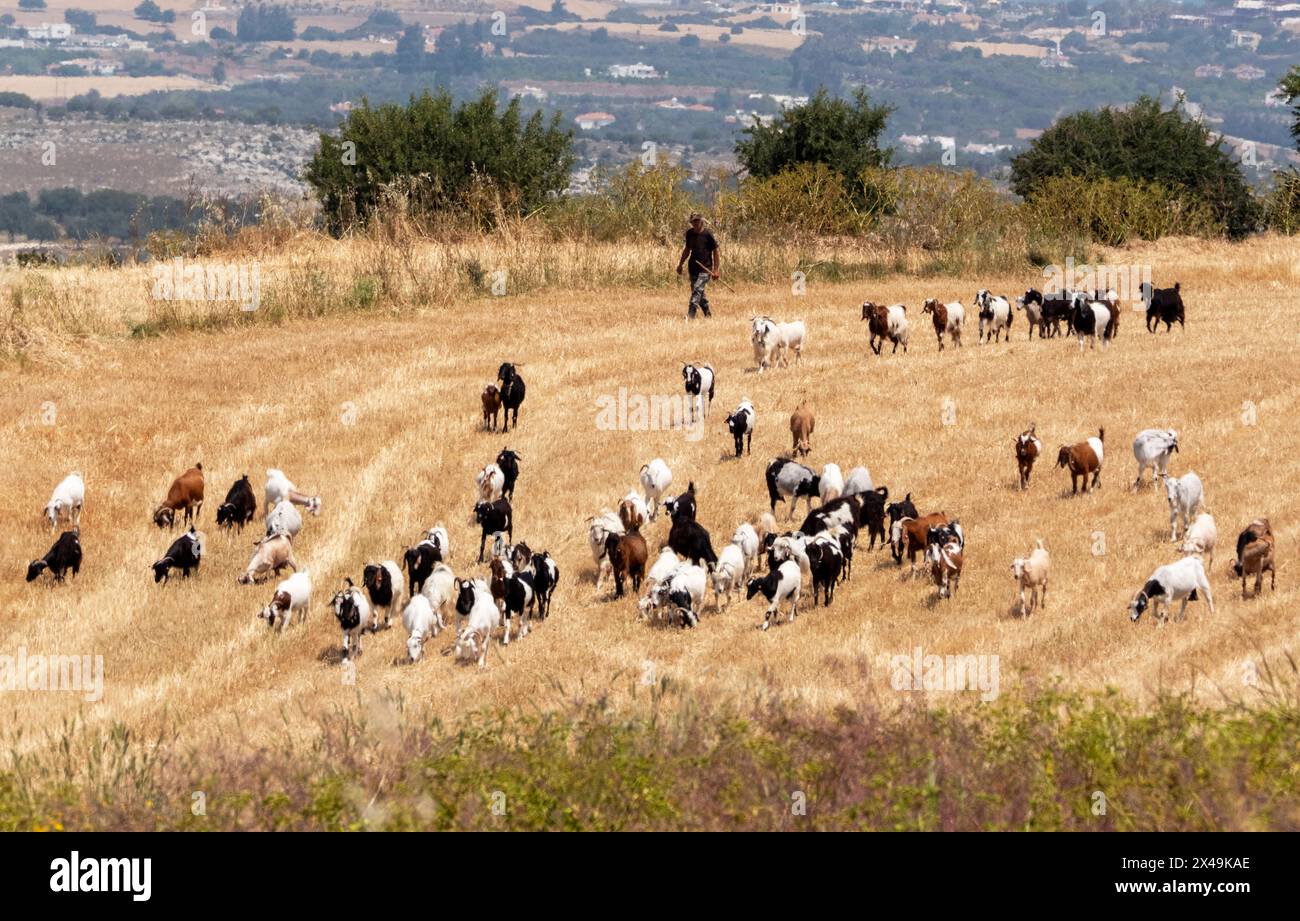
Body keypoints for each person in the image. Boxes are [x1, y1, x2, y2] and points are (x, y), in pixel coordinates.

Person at [676, 211, 720, 319]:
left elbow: (716, 252)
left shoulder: (708, 235)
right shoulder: (689, 234)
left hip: (706, 269)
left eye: (697, 221)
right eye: (693, 221)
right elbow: (687, 249)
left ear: (702, 221)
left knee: (697, 289)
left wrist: (716, 270)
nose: (695, 223)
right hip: (693, 268)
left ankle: (691, 314)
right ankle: (707, 313)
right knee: (698, 292)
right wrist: (680, 264)